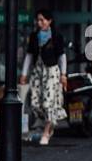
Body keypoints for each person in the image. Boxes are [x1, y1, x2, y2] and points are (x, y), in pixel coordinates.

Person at [19, 9, 67, 145]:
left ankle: (46, 132)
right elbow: (29, 55)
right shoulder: (34, 36)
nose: (40, 23)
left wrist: (63, 75)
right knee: (35, 103)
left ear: (49, 21)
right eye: (38, 20)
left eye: (42, 20)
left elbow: (62, 56)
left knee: (48, 102)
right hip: (37, 72)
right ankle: (49, 123)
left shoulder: (56, 36)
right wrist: (24, 74)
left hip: (51, 72)